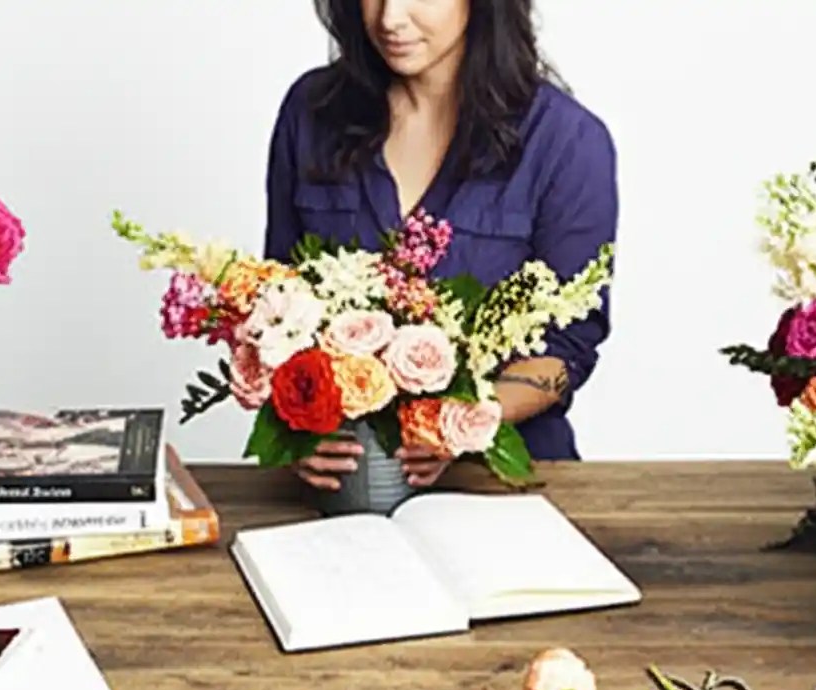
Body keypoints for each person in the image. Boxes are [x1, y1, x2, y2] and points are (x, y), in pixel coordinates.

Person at [262, 0, 619, 491]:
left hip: (503, 486)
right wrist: (296, 428)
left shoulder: (566, 142)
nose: (389, 18)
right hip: (342, 493)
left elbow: (569, 346)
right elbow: (275, 307)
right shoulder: (311, 114)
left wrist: (462, 423)